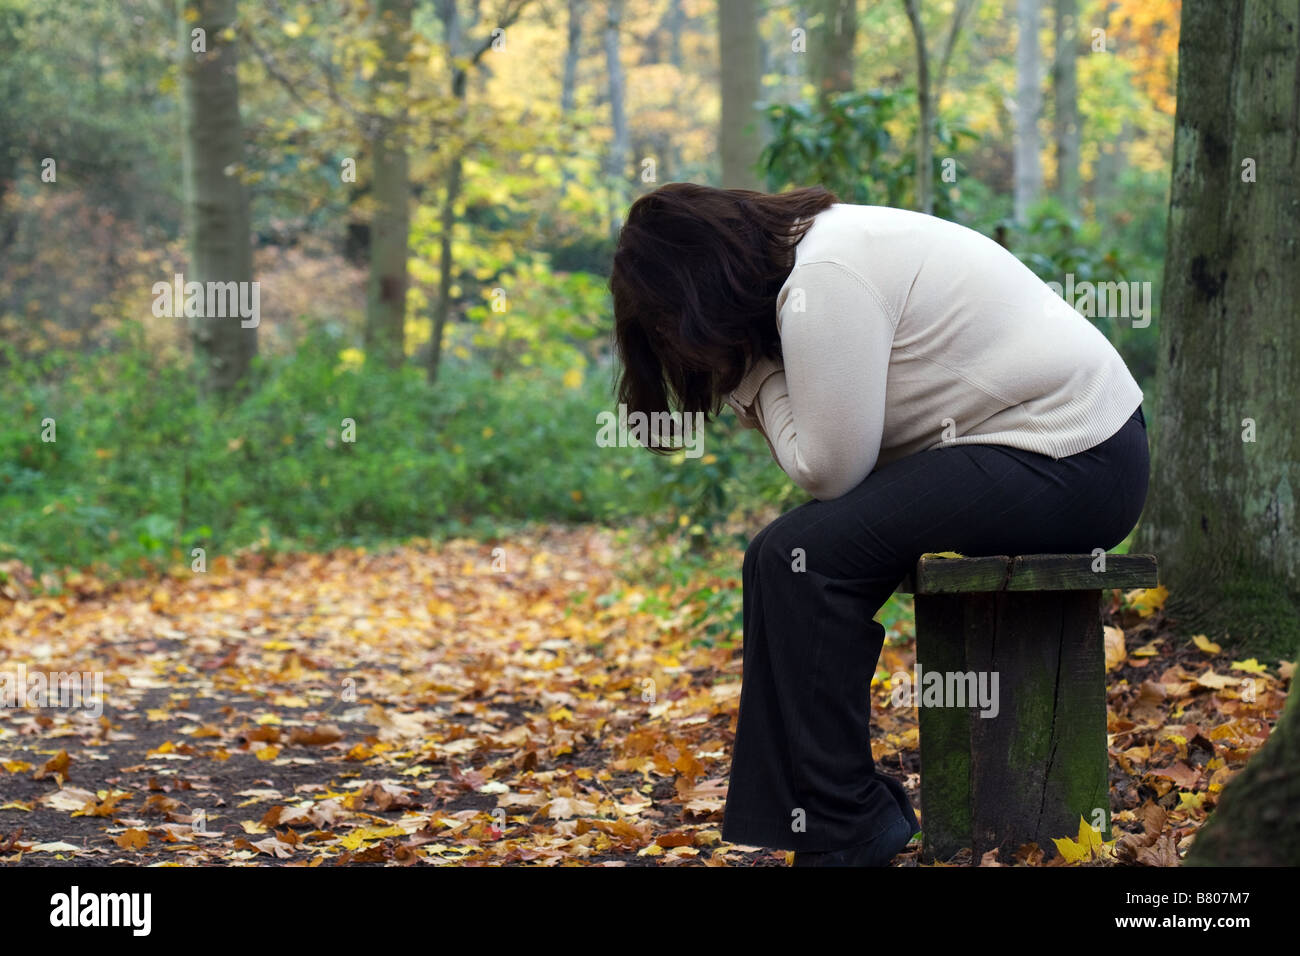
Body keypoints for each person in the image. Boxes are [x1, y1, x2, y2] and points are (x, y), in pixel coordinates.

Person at [608, 182, 1150, 866]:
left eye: (674, 324)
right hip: (1051, 452)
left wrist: (752, 381)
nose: (686, 347)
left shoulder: (825, 275)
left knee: (802, 557)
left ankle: (846, 825)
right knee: (783, 555)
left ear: (703, 286)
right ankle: (831, 820)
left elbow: (828, 468)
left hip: (1077, 458)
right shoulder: (817, 261)